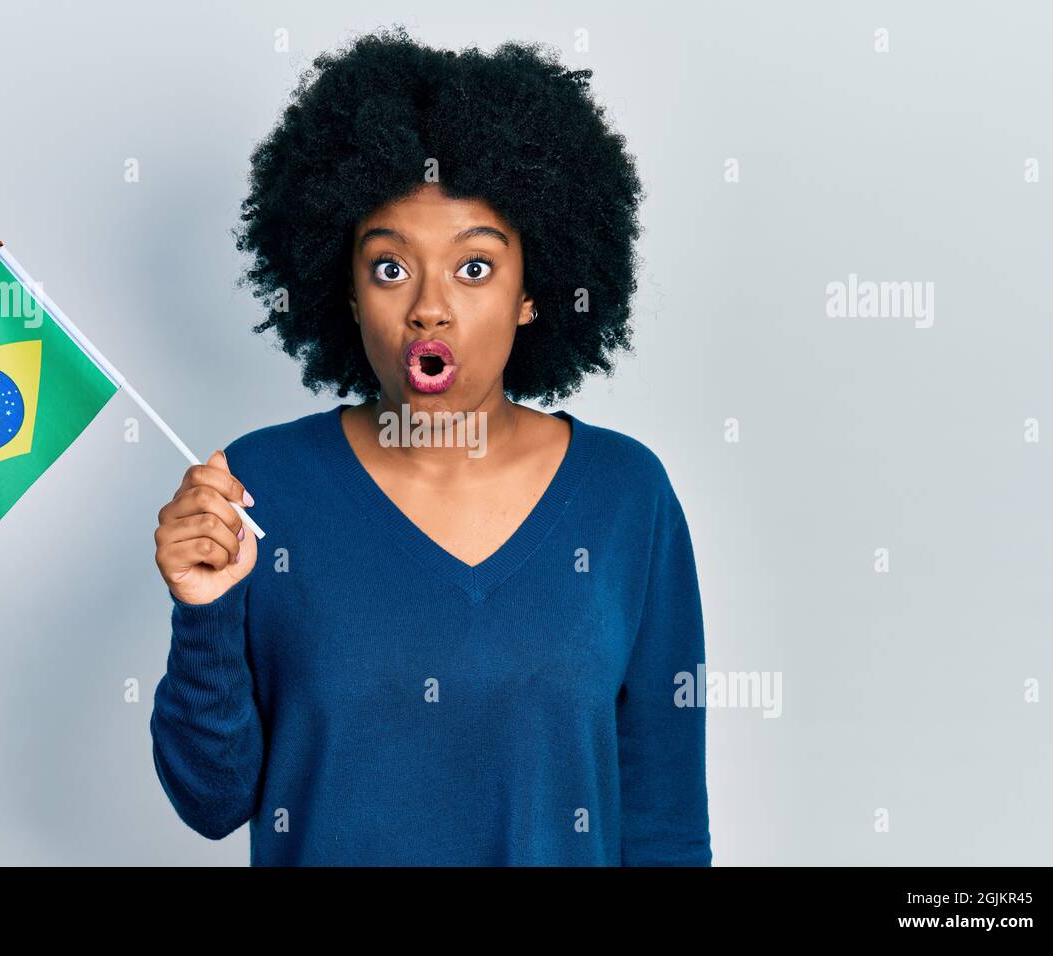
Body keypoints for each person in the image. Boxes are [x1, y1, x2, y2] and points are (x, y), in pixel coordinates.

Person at [149, 25, 712, 866]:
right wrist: (202, 613)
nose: (429, 308)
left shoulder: (627, 496)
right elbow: (212, 800)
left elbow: (665, 824)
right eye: (389, 268)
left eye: (475, 269)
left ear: (534, 291)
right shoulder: (259, 490)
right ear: (344, 292)